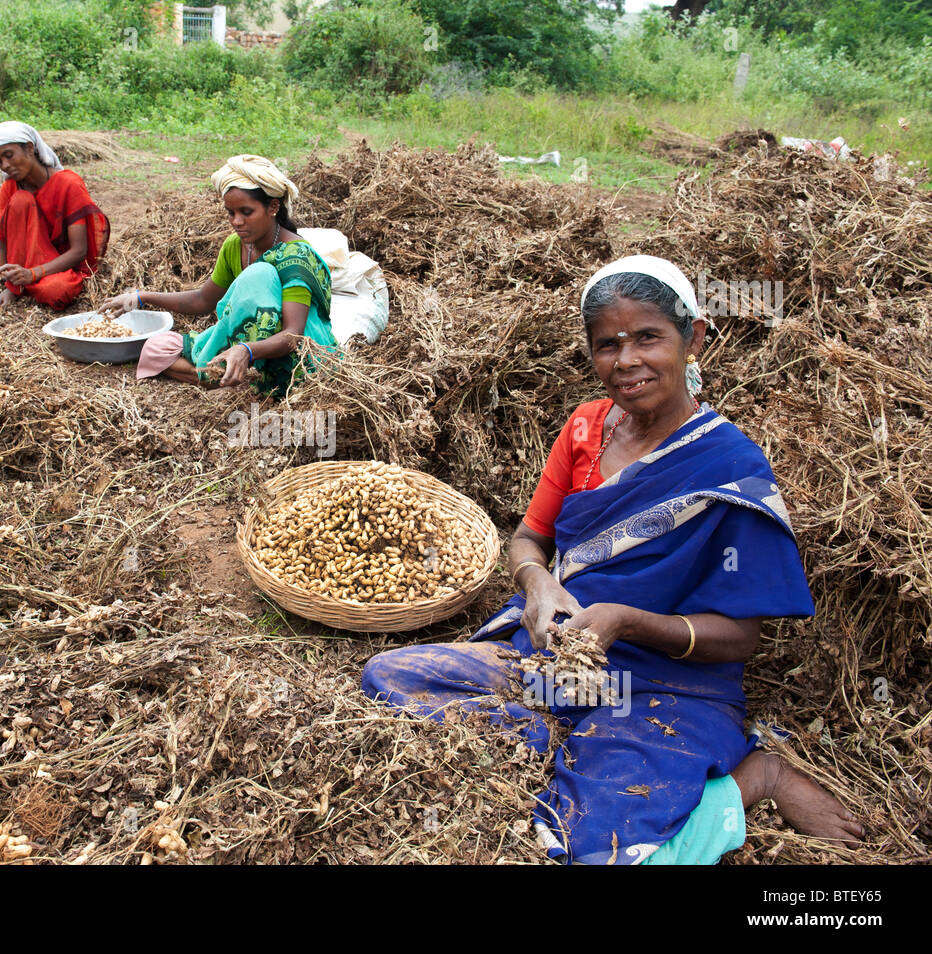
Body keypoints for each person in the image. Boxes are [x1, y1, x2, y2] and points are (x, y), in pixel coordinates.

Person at [362, 255, 864, 864]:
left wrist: (624, 621)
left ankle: (753, 778)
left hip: (666, 685)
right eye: (607, 345)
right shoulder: (585, 429)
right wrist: (538, 581)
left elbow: (737, 638)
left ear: (694, 337)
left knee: (608, 847)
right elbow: (529, 537)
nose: (626, 361)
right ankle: (566, 736)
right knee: (392, 677)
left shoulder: (731, 468)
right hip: (558, 660)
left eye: (648, 337)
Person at [100, 155, 338, 397]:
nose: (236, 221)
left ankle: (234, 375)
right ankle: (231, 375)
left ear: (273, 208)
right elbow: (204, 300)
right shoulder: (236, 246)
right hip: (245, 343)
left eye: (246, 212)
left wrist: (247, 350)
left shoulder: (296, 256)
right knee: (155, 347)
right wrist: (141, 297)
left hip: (288, 352)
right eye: (230, 212)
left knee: (260, 274)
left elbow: (294, 334)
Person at [0, 122, 109, 310]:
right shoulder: (10, 188)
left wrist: (32, 274)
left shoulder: (68, 184)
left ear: (30, 148)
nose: (5, 165)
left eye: (9, 155)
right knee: (21, 200)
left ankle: (21, 285)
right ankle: (18, 284)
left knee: (57, 291)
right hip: (26, 265)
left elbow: (78, 251)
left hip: (58, 264)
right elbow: (3, 242)